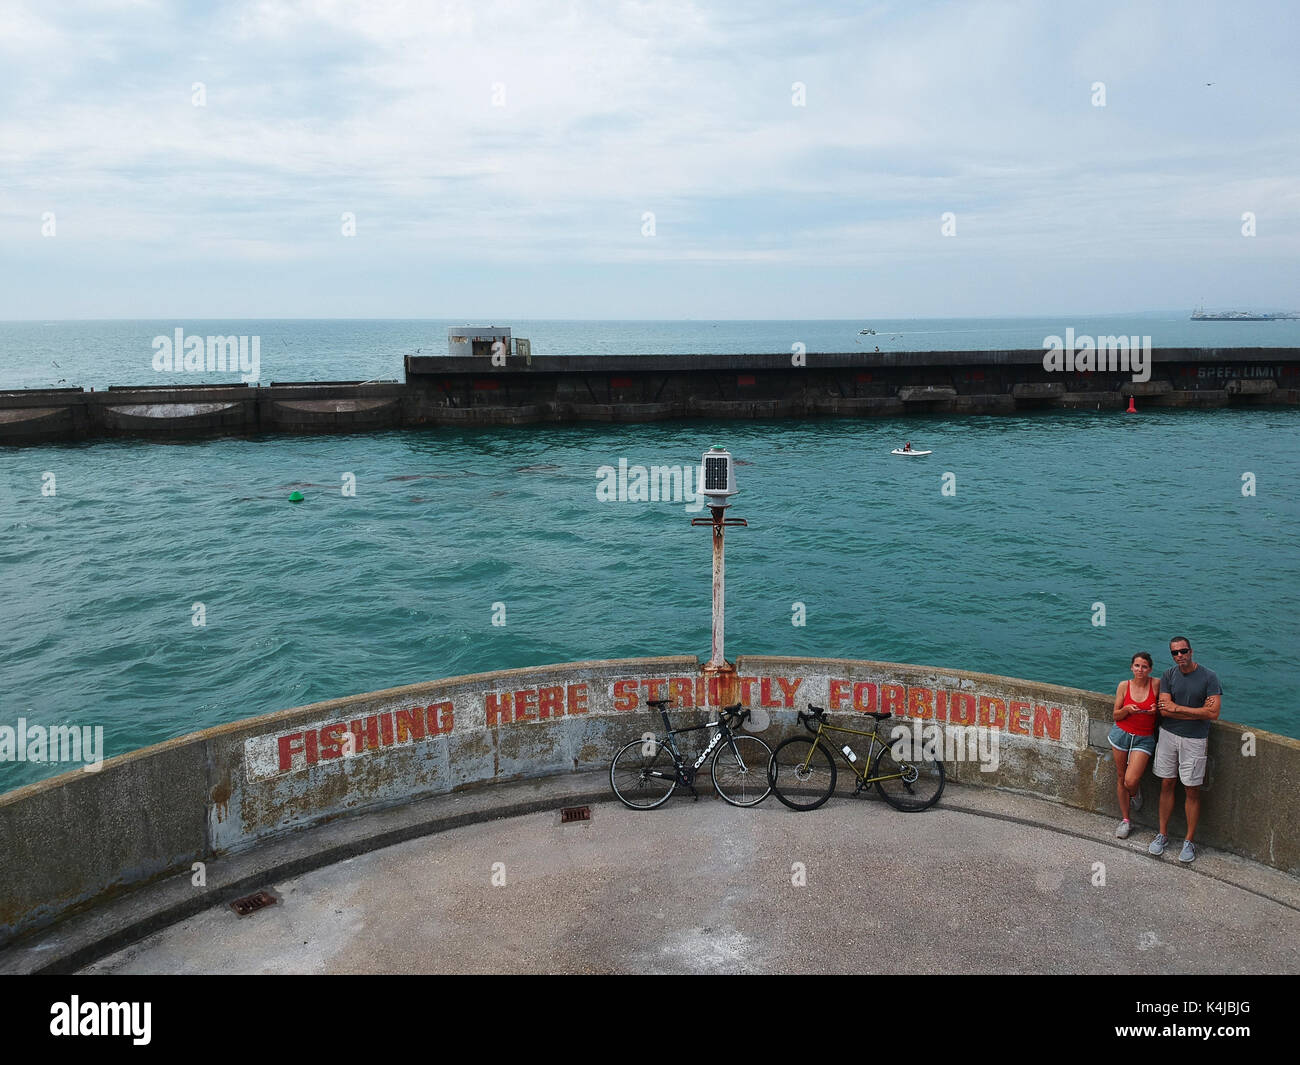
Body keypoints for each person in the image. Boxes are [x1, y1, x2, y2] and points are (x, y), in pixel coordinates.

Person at [1148, 637, 1221, 863]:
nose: (1180, 656)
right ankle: (1162, 834)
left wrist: (1177, 708)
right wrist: (1197, 711)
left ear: (1191, 651)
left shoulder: (1209, 677)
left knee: (1192, 789)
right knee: (1167, 783)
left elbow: (1214, 713)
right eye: (1175, 653)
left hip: (1195, 739)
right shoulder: (1169, 675)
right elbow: (1165, 711)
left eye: (1183, 651)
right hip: (1168, 736)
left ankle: (1189, 841)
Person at [1108, 653, 1159, 838]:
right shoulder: (1124, 686)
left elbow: (1166, 704)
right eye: (1137, 666)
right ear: (1131, 668)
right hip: (1121, 734)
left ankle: (1135, 792)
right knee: (1121, 776)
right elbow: (1116, 715)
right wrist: (1127, 710)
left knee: (1131, 780)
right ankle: (1126, 820)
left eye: (1144, 667)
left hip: (1144, 738)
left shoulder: (1156, 684)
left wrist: (1156, 710)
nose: (1140, 670)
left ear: (1150, 669)